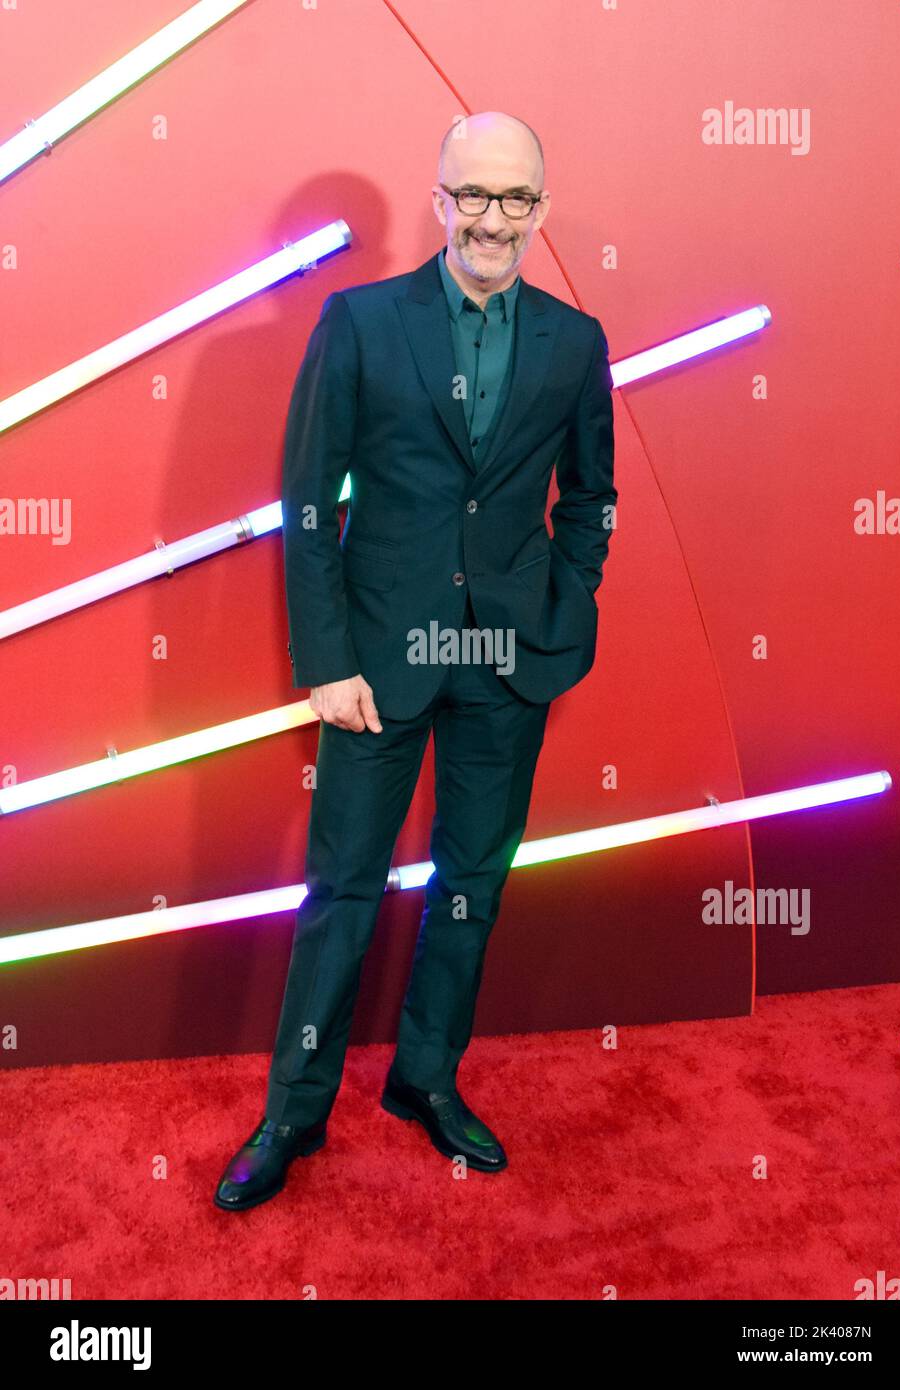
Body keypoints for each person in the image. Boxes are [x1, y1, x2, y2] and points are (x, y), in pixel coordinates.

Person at [214, 110, 616, 1211]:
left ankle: (426, 1080)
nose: (493, 219)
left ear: (539, 209)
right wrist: (324, 656)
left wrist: (561, 605)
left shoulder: (576, 342)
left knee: (468, 888)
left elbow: (590, 498)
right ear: (440, 202)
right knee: (341, 887)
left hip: (506, 663)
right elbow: (305, 505)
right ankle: (293, 1112)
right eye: (473, 196)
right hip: (373, 665)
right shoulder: (357, 323)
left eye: (515, 199)